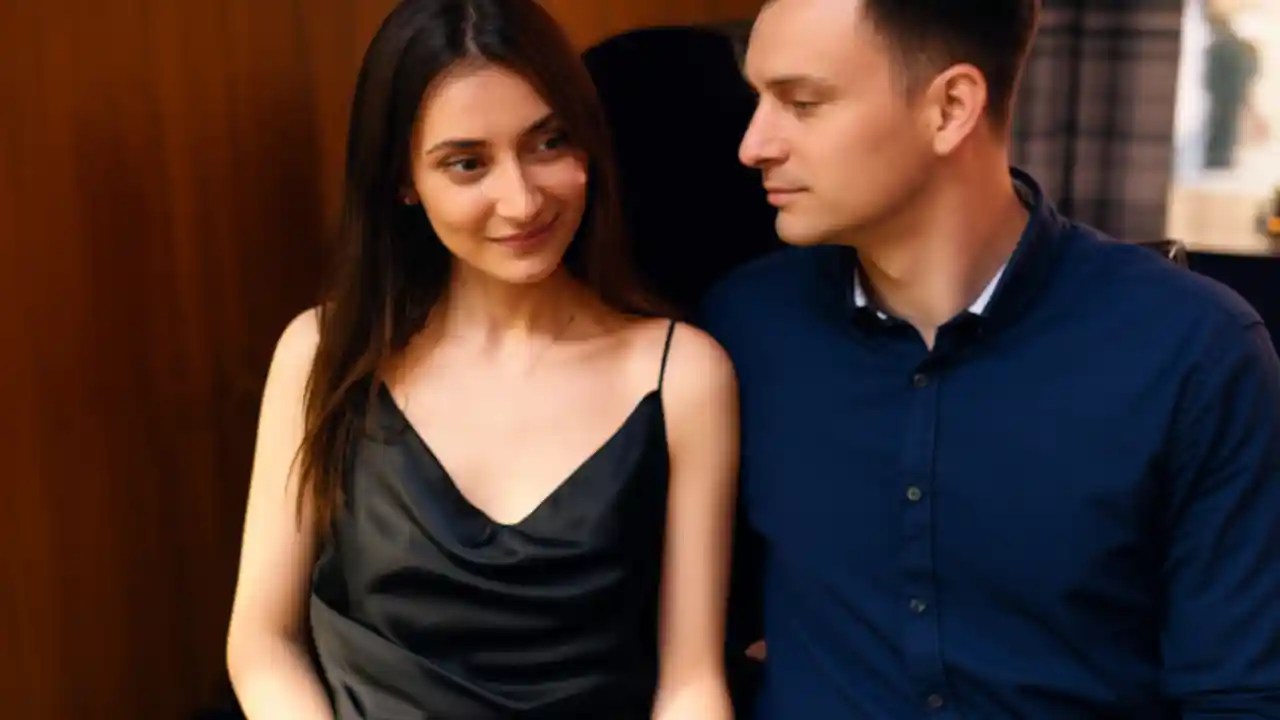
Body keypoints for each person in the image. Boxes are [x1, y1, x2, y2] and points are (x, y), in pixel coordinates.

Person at [699, 0, 1280, 717]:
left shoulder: (1195, 349)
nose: (753, 144)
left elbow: (1239, 694)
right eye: (758, 99)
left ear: (950, 108)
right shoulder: (742, 328)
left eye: (802, 102)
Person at [224, 1, 739, 718]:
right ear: (404, 180)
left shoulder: (683, 374)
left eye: (549, 142)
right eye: (467, 163)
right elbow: (262, 643)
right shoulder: (321, 354)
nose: (522, 199)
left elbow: (690, 683)